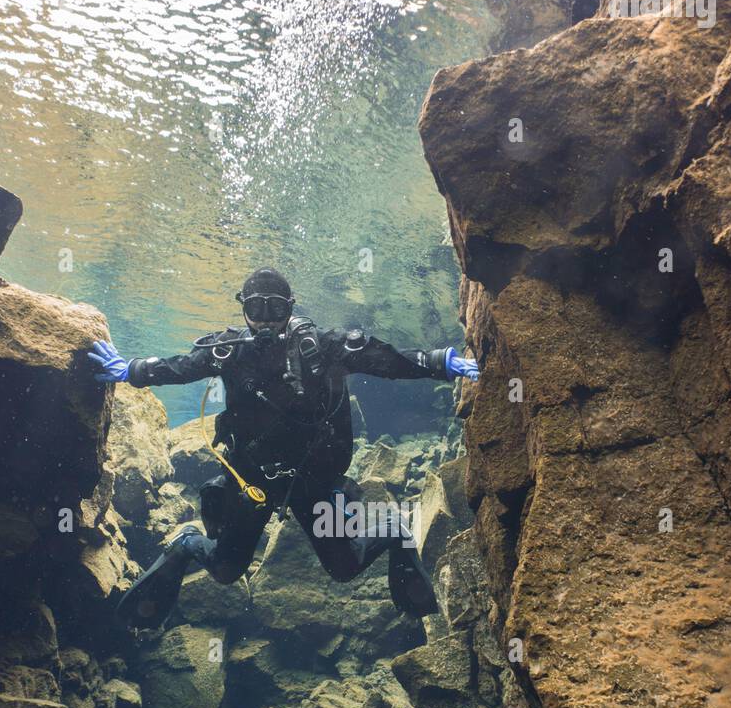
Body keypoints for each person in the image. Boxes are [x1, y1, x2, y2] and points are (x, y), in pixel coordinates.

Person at [89, 267, 479, 629]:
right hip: (252, 480)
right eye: (255, 308)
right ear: (243, 308)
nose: (264, 319)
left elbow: (381, 359)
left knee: (344, 567)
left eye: (274, 308)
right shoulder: (229, 350)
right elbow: (182, 367)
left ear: (289, 309)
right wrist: (135, 370)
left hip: (312, 481)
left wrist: (438, 361)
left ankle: (393, 530)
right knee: (225, 571)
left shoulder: (319, 347)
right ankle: (187, 543)